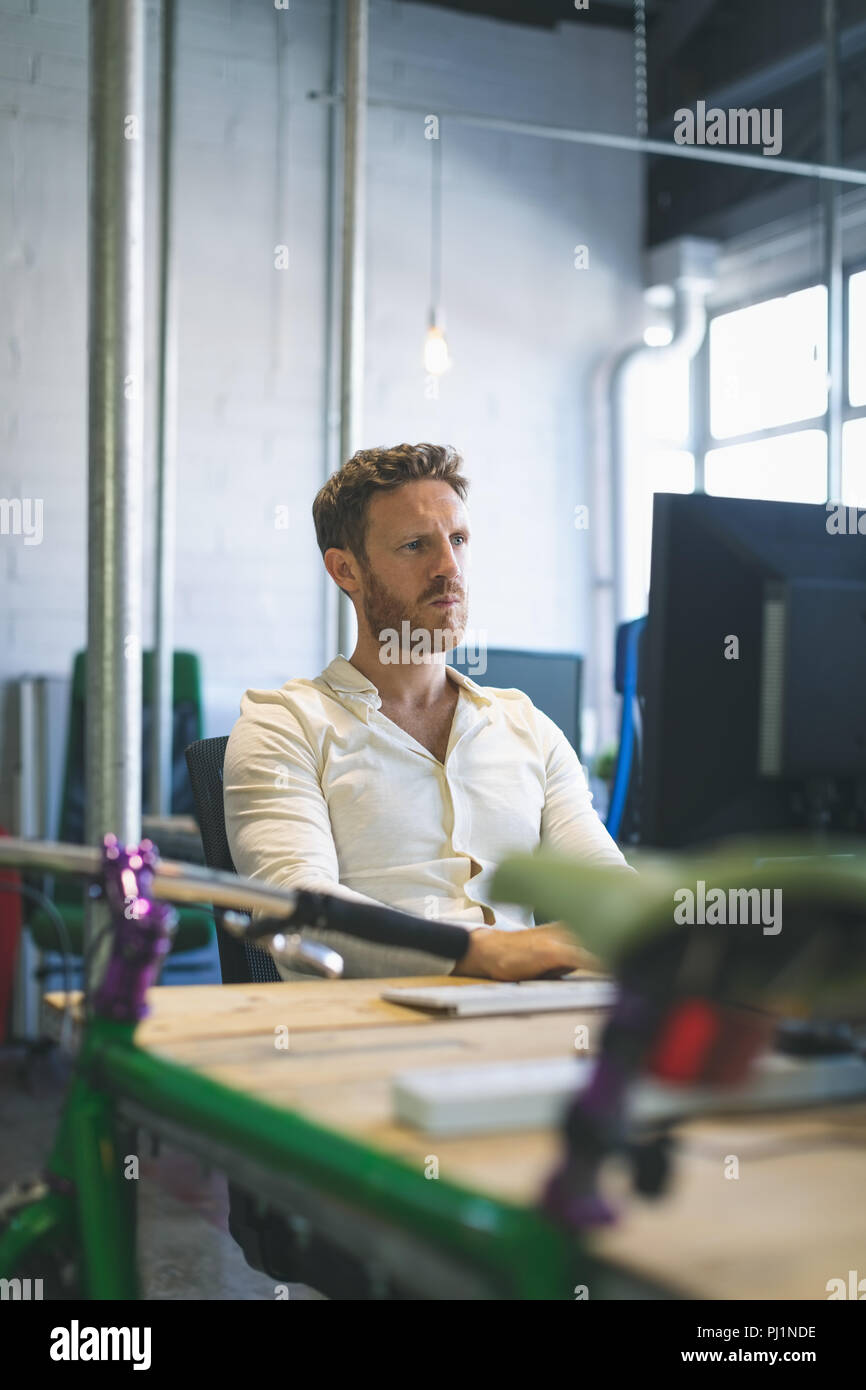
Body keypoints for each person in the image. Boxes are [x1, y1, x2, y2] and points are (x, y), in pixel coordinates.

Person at [224, 442, 632, 980]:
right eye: (415, 545)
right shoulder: (283, 725)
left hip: (532, 1016)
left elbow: (606, 890)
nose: (448, 567)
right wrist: (482, 952)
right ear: (346, 570)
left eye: (457, 540)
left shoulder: (525, 726)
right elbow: (296, 906)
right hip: (372, 1033)